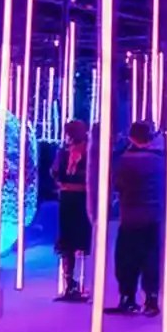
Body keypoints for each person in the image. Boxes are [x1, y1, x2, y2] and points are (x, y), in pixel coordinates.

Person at [108, 121, 165, 316]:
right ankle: (151, 299)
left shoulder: (125, 159)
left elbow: (117, 184)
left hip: (130, 215)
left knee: (126, 259)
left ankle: (128, 298)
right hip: (153, 216)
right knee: (151, 258)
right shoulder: (161, 159)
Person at [52, 120, 92, 301]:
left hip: (67, 198)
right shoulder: (90, 152)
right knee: (79, 242)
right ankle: (78, 284)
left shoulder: (63, 152)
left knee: (68, 242)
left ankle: (70, 283)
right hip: (81, 198)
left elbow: (54, 173)